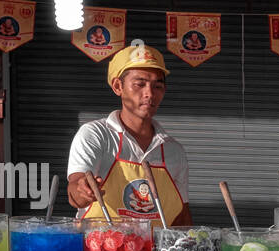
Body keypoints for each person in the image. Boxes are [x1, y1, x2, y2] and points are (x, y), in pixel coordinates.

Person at [67, 44, 191, 226]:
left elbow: (181, 215)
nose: (150, 94)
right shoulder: (96, 134)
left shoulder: (173, 150)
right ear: (118, 86)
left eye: (157, 86)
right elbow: (74, 191)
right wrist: (84, 190)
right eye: (139, 84)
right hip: (100, 249)